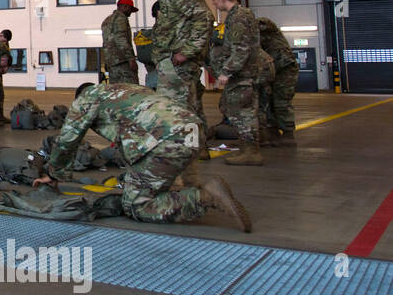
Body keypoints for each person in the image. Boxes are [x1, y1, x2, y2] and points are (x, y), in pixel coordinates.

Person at [32, 83, 251, 232]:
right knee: (159, 173)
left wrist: (52, 174)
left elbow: (68, 140)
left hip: (166, 138)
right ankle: (189, 192)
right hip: (193, 129)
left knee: (136, 205)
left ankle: (205, 197)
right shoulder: (126, 90)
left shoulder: (87, 99)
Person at [148, 0, 213, 155]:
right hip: (171, 61)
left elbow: (205, 19)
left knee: (175, 109)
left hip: (178, 62)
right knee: (190, 106)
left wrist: (187, 51)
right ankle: (197, 148)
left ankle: (183, 151)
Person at [208, 0, 263, 165]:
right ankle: (248, 149)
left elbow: (241, 48)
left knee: (242, 113)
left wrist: (226, 71)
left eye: (214, 0)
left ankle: (250, 152)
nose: (214, 4)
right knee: (243, 112)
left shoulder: (238, 17)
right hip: (245, 73)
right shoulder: (240, 15)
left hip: (241, 75)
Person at [258, 17, 298, 146]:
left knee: (281, 101)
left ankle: (288, 134)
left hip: (284, 68)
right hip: (270, 69)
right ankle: (272, 133)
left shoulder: (262, 24)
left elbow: (263, 25)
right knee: (267, 101)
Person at [101, 0, 139, 85]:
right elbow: (121, 39)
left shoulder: (107, 20)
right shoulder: (121, 18)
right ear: (124, 7)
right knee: (131, 89)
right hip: (123, 61)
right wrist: (131, 59)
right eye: (130, 9)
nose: (130, 13)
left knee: (116, 90)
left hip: (111, 63)